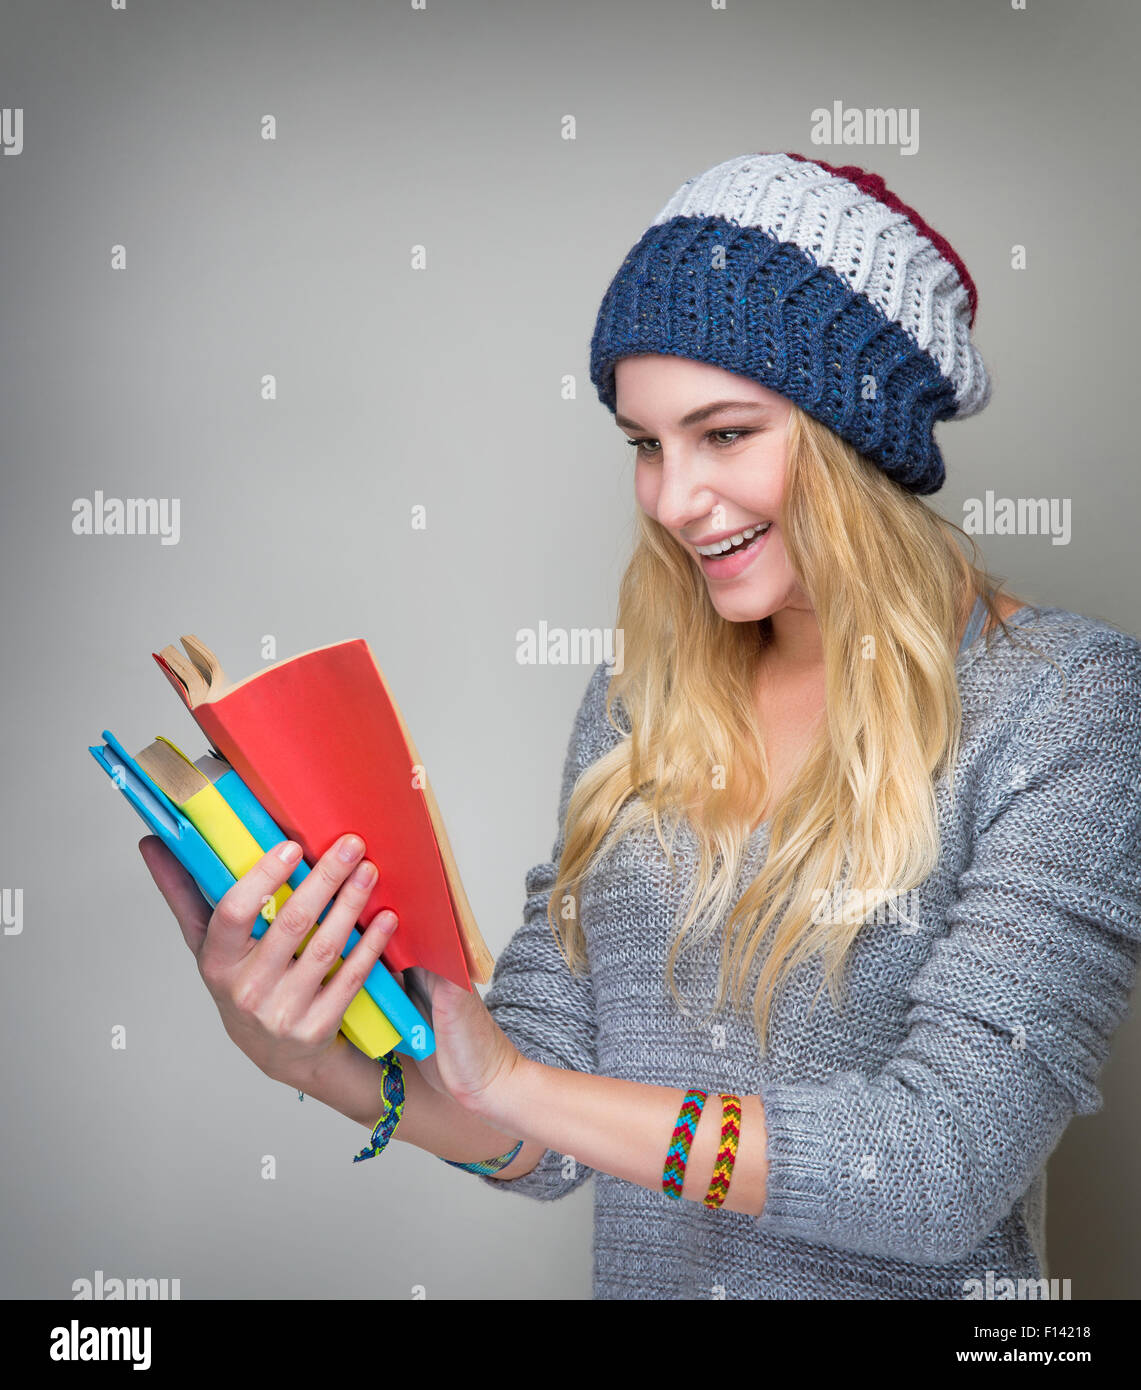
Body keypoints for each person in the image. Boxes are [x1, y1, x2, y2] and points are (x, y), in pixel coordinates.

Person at [141, 151, 1141, 1300]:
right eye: (644, 444)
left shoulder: (1065, 703)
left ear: (858, 433)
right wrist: (310, 1062)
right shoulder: (638, 704)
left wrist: (517, 1085)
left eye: (725, 433)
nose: (672, 498)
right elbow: (536, 1124)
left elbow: (936, 1169)